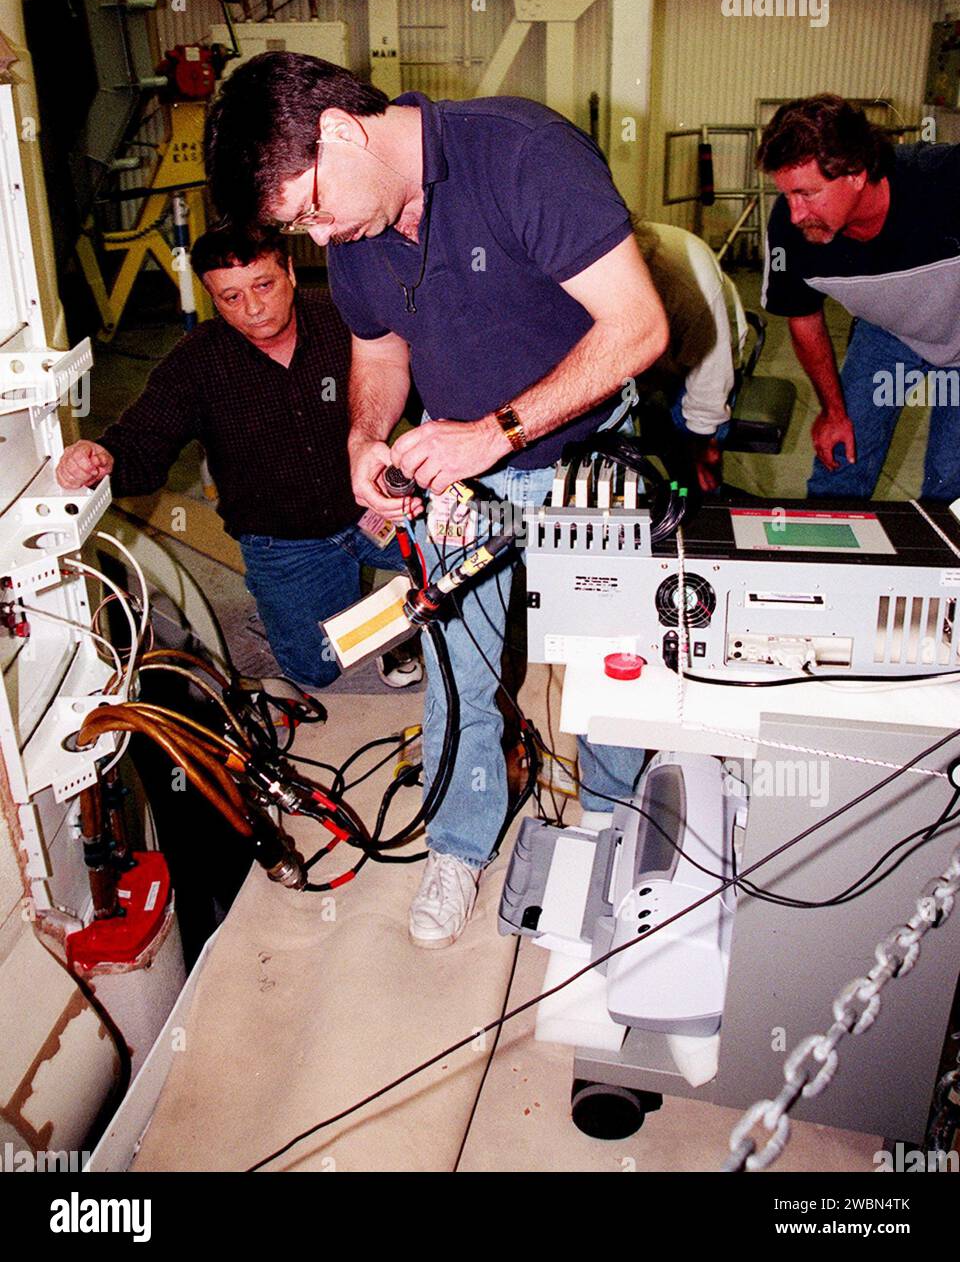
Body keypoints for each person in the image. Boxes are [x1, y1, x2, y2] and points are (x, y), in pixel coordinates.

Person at [204, 53, 669, 947]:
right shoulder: (356, 232)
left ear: (338, 133)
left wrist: (493, 433)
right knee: (457, 664)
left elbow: (639, 326)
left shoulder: (523, 154)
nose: (318, 237)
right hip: (461, 471)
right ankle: (460, 841)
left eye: (308, 209)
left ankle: (619, 828)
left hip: (584, 458)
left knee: (614, 660)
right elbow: (380, 357)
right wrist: (364, 439)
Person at [56, 225, 422, 691]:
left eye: (263, 285)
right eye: (230, 297)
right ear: (211, 297)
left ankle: (399, 618)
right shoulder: (197, 361)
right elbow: (143, 439)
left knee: (468, 549)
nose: (252, 308)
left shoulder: (343, 319)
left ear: (289, 270)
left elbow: (418, 387)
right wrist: (100, 456)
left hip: (373, 506)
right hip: (285, 542)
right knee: (316, 669)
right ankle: (303, 602)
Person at [756, 93, 960, 500]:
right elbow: (804, 318)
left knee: (950, 483)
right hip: (889, 332)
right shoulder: (789, 230)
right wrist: (832, 411)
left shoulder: (942, 182)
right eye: (788, 195)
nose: (795, 214)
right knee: (839, 466)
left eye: (807, 194)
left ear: (856, 172)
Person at [631, 220, 737, 494]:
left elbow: (712, 373)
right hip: (642, 352)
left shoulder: (692, 289)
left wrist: (703, 439)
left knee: (694, 476)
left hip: (704, 355)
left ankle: (701, 520)